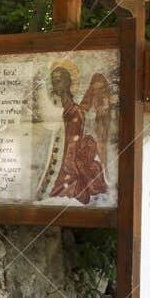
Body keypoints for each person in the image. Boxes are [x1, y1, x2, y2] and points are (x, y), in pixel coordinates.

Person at [45, 63, 110, 203]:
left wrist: (70, 166)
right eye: (53, 81)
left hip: (69, 162)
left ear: (68, 82)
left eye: (59, 80)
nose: (55, 84)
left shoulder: (75, 112)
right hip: (57, 159)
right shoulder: (56, 109)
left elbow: (72, 144)